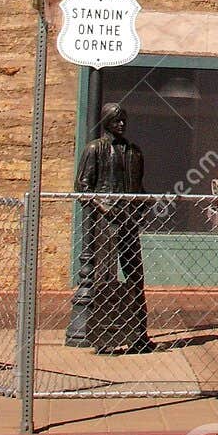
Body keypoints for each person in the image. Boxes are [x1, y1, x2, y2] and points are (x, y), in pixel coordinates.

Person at [74, 102, 155, 355]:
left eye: (123, 120)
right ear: (106, 121)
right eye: (116, 119)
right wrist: (103, 207)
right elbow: (83, 187)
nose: (121, 124)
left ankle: (139, 335)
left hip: (128, 219)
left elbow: (139, 188)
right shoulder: (94, 149)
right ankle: (104, 335)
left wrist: (144, 207)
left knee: (135, 278)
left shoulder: (134, 152)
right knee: (104, 278)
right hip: (106, 221)